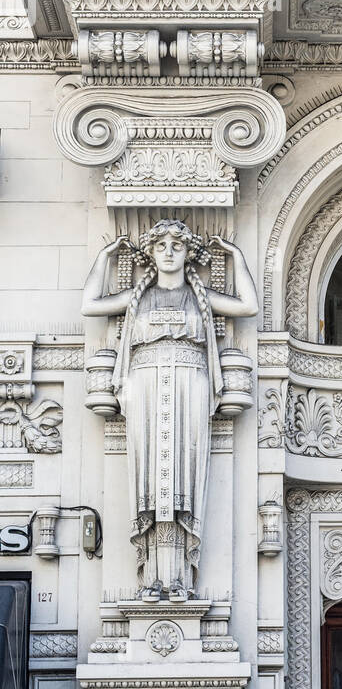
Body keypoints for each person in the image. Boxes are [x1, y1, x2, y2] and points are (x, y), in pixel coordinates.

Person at [82, 220, 257, 600]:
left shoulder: (201, 296)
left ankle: (180, 578)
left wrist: (237, 257)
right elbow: (89, 305)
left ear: (188, 252)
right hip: (144, 385)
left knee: (183, 482)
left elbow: (249, 305)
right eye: (161, 246)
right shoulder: (137, 297)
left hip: (190, 385)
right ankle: (151, 577)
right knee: (151, 482)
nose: (168, 252)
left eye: (177, 245)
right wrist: (103, 258)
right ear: (151, 253)